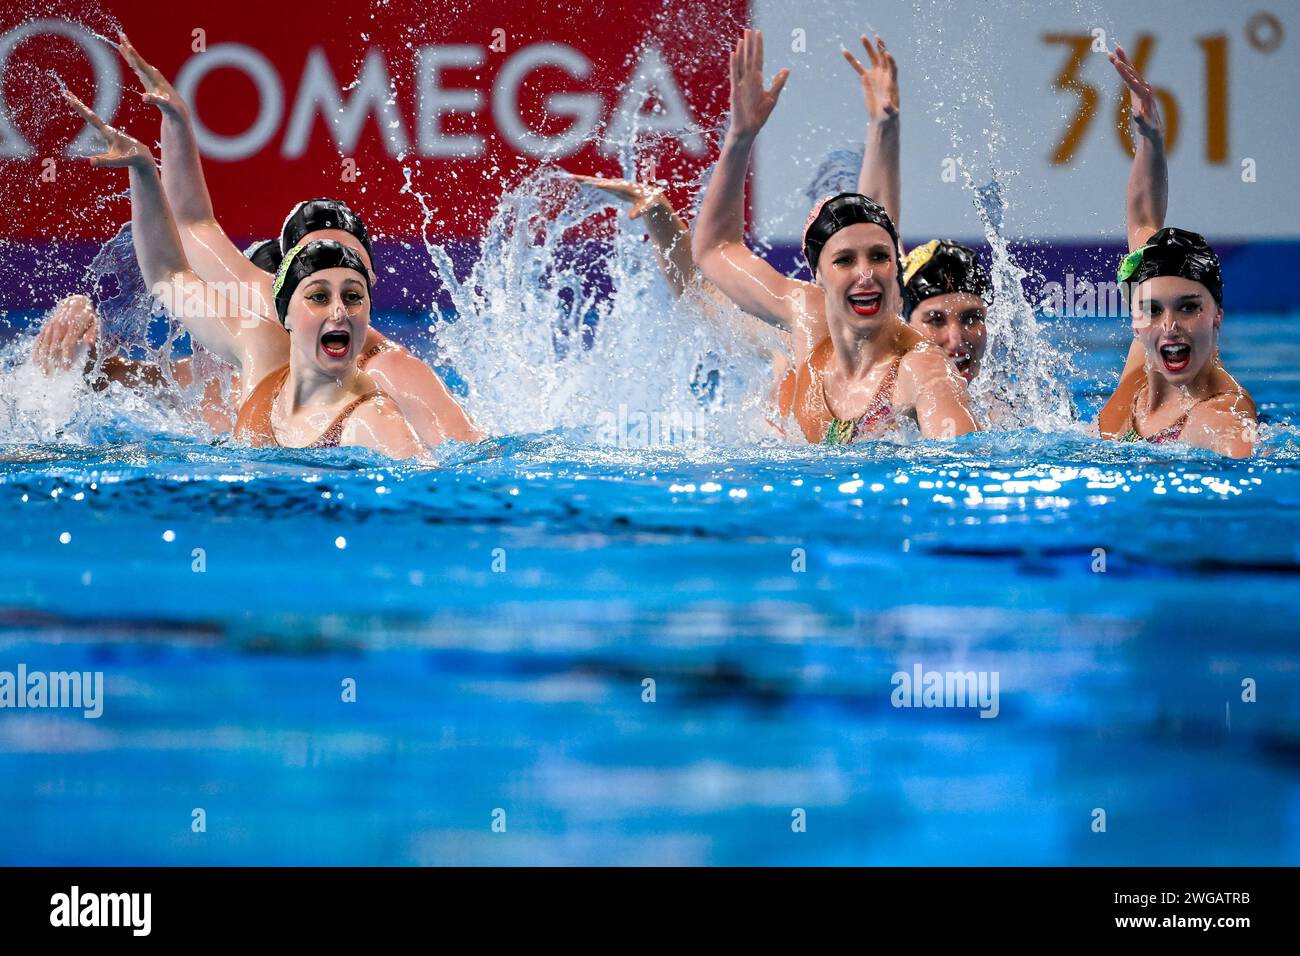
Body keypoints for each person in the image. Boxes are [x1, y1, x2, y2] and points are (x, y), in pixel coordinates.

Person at [113, 33, 482, 446]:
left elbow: (466, 453)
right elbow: (187, 237)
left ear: (372, 284)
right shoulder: (259, 331)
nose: (338, 301)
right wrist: (173, 127)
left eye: (352, 282)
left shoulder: (389, 381)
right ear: (286, 287)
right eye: (318, 284)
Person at [63, 92, 426, 460]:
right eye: (319, 296)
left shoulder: (373, 421)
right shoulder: (260, 350)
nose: (339, 312)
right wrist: (142, 170)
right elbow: (169, 273)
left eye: (353, 297)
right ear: (282, 312)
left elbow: (427, 498)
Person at [690, 30, 977, 444]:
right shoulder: (806, 315)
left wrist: (886, 126)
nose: (866, 274)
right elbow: (715, 249)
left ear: (896, 266)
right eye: (844, 261)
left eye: (880, 258)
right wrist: (740, 138)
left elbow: (965, 467)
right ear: (818, 275)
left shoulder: (923, 372)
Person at [1096, 47, 1255, 457]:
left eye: (1188, 307)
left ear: (1217, 314)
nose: (1169, 326)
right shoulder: (1144, 358)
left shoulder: (1220, 419)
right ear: (1135, 317)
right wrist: (1150, 137)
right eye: (1152, 309)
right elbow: (1143, 216)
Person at [843, 34, 993, 384]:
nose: (957, 340)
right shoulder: (881, 396)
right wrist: (884, 126)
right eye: (935, 320)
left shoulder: (1010, 413)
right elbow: (874, 227)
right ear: (901, 321)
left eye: (972, 318)